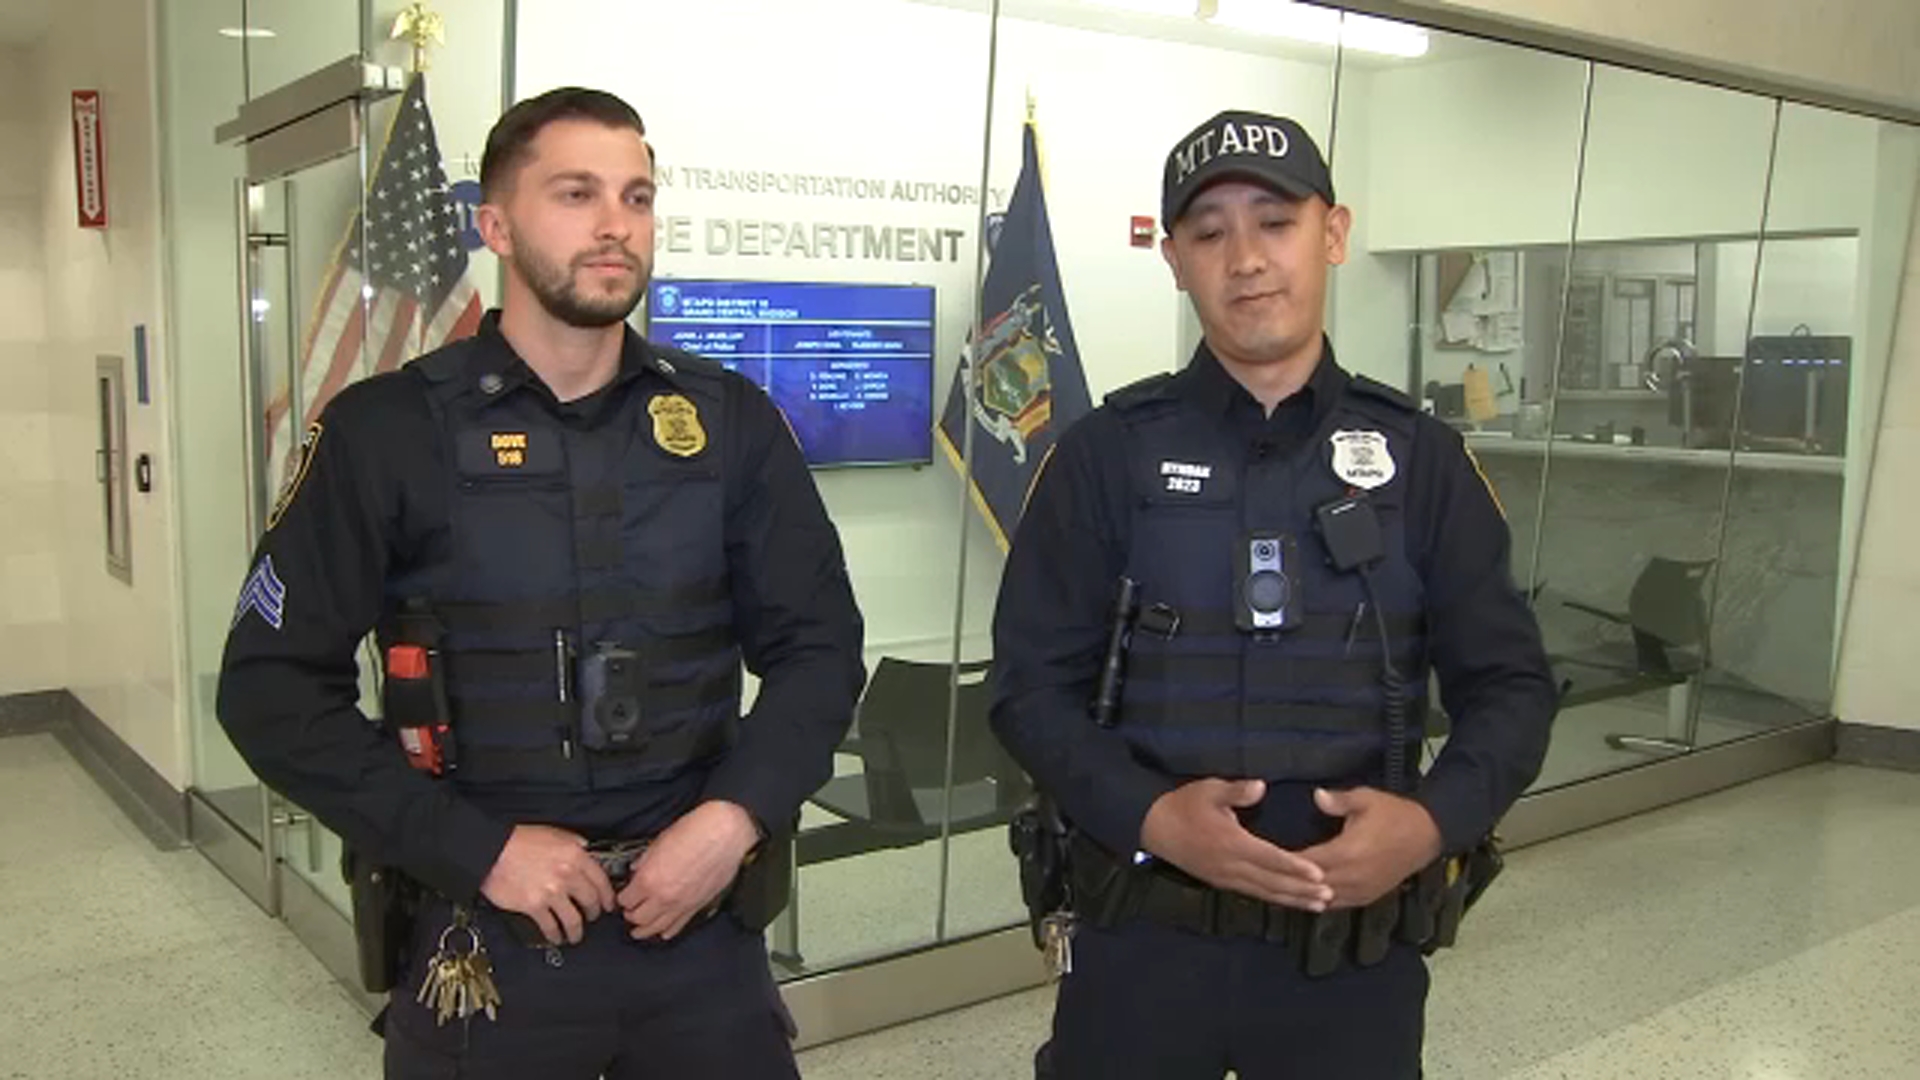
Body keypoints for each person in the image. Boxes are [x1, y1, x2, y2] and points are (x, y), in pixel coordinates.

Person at [216, 87, 865, 1079]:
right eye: (576, 193)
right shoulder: (385, 432)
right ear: (495, 225)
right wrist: (479, 850)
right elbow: (268, 691)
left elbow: (819, 649)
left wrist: (735, 816)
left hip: (697, 932)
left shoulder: (729, 423)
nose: (616, 225)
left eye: (637, 197)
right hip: (484, 938)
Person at [990, 109, 1558, 1079]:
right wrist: (1151, 814)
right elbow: (1028, 690)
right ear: (1173, 257)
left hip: (1352, 958)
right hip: (1140, 941)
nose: (1245, 258)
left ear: (1332, 233)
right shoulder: (1103, 457)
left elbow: (1511, 688)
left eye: (1276, 222)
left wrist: (1427, 825)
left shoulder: (1424, 463)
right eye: (1209, 233)